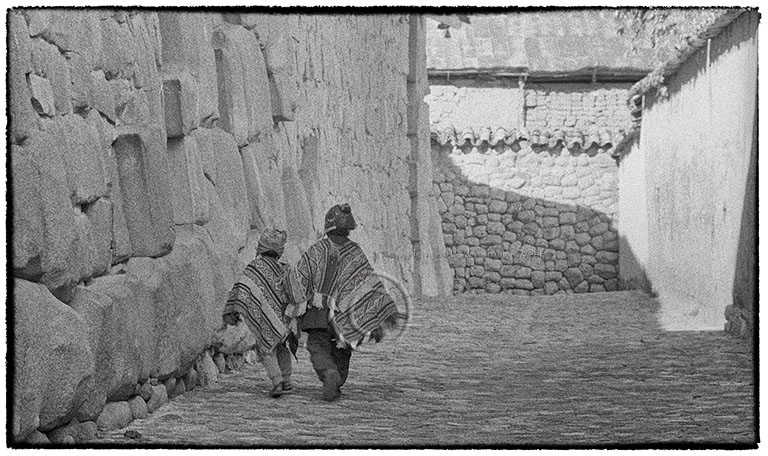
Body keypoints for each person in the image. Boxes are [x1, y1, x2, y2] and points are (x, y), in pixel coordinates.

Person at [285, 203, 402, 402]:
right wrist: (383, 306)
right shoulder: (355, 251)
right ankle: (337, 380)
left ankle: (328, 373)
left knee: (318, 346)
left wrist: (294, 300)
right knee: (343, 349)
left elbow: (299, 277)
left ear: (328, 226)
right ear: (349, 228)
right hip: (346, 316)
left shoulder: (316, 250)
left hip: (317, 314)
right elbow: (367, 280)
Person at [223, 228, 298, 398]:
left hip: (263, 317)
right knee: (282, 346)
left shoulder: (254, 268)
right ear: (279, 250)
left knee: (265, 349)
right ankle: (287, 380)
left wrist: (234, 307)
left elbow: (242, 287)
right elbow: (293, 291)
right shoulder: (284, 269)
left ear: (261, 247)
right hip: (283, 318)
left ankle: (277, 381)